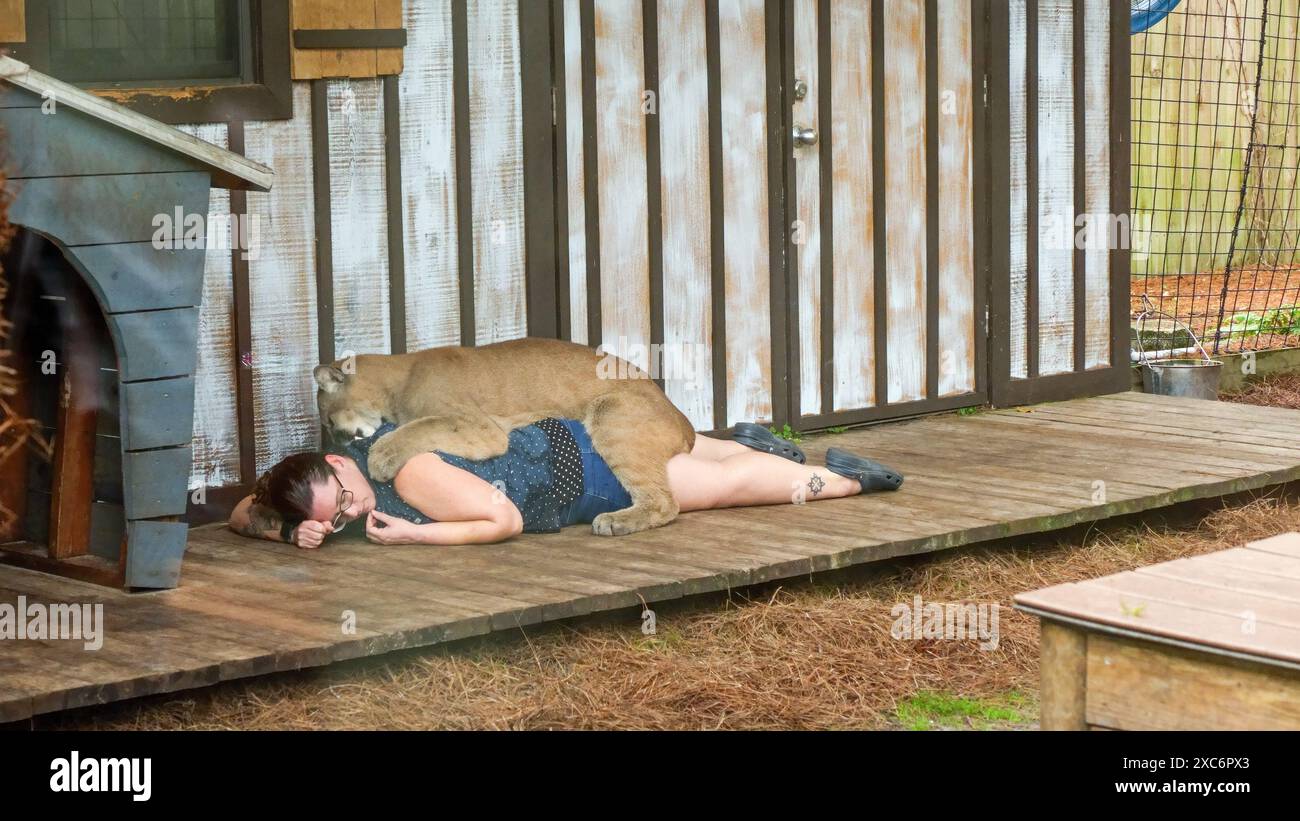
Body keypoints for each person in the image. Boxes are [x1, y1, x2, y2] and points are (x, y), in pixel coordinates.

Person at [229, 418, 903, 549]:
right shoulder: (352, 465)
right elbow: (242, 509)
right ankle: (752, 438)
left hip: (582, 478)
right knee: (692, 452)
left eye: (344, 498)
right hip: (566, 439)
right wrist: (288, 524)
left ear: (340, 464)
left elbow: (503, 521)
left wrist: (414, 532)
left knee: (720, 487)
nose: (350, 513)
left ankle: (843, 480)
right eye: (336, 516)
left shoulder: (409, 472)